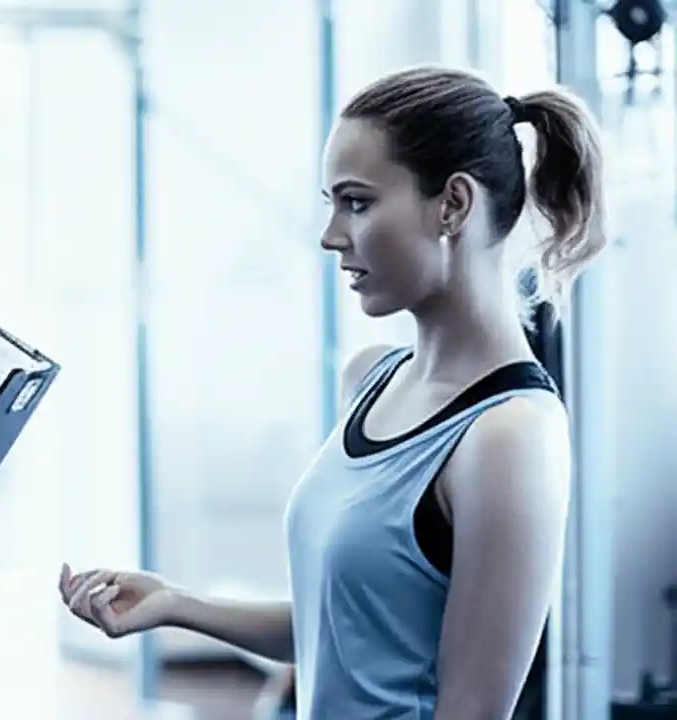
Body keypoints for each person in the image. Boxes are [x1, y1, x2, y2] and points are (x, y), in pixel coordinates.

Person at [59, 65, 606, 719]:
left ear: (452, 205)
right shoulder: (370, 378)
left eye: (357, 202)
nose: (330, 235)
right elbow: (348, 630)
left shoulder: (509, 437)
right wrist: (175, 605)